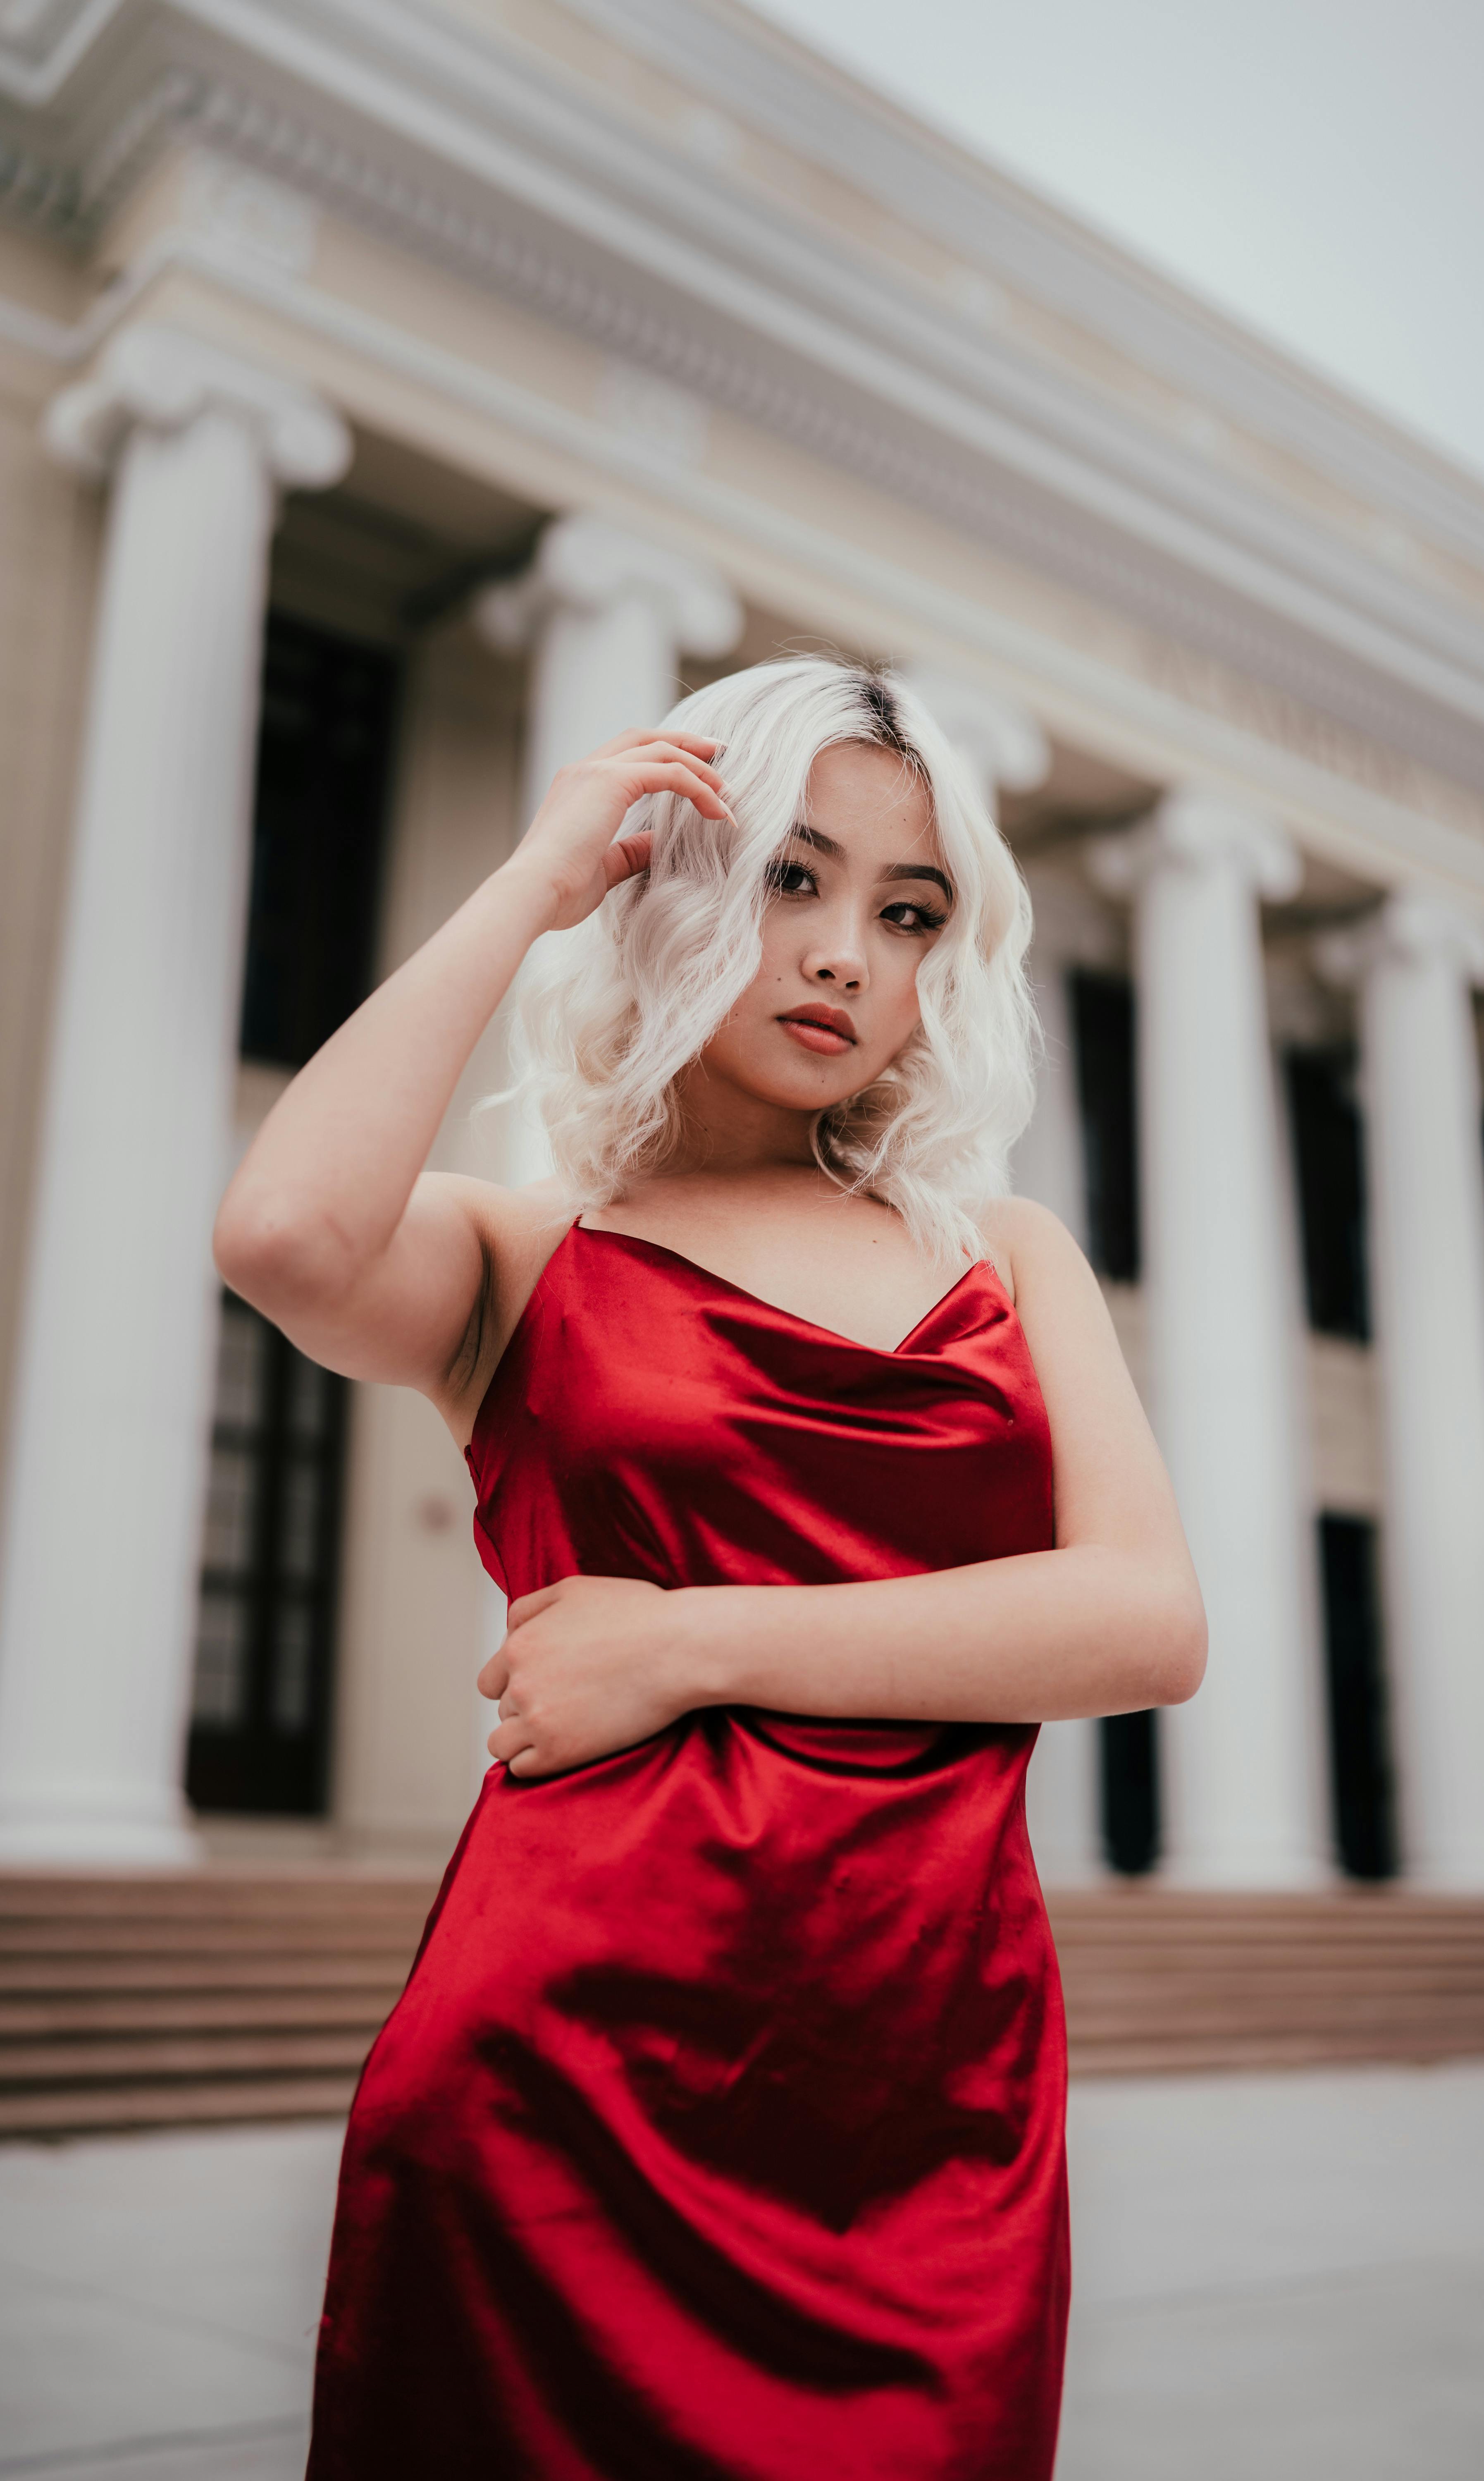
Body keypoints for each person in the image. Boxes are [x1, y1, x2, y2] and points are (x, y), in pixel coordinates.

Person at [215, 655, 1205, 2480]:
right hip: (558, 2094)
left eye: (907, 915)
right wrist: (533, 882)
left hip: (926, 2097)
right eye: (788, 877)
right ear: (671, 886)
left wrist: (687, 1646)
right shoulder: (529, 1260)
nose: (844, 953)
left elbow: (1143, 1624)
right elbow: (283, 1235)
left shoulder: (1003, 1253)